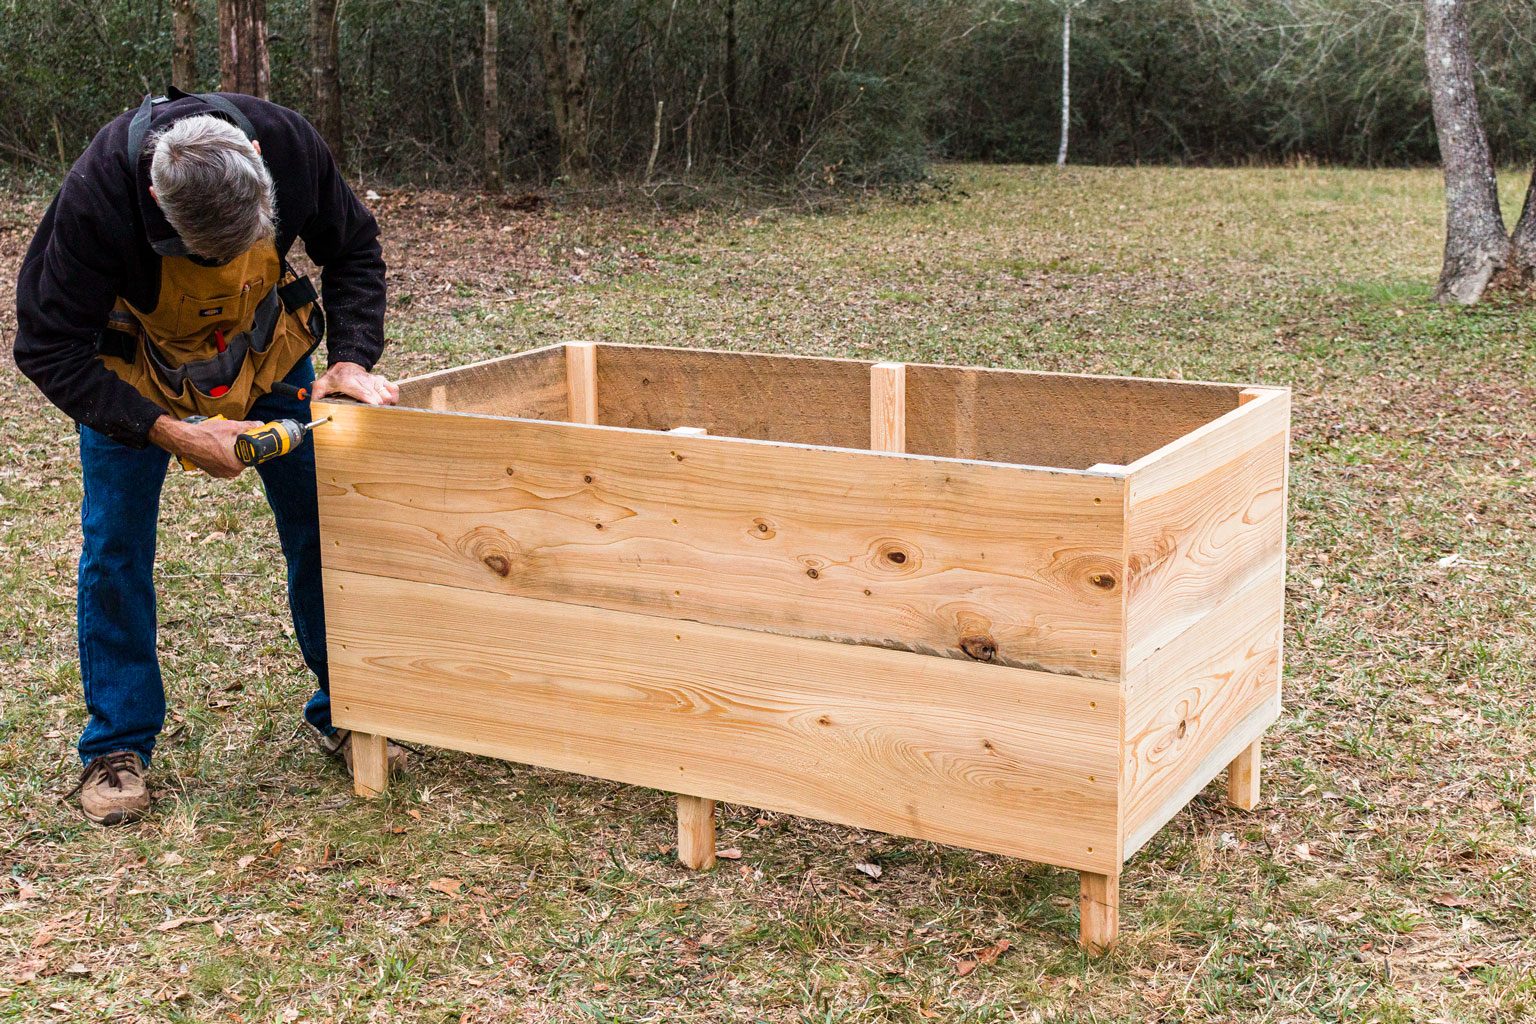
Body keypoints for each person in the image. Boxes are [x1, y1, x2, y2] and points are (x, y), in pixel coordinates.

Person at [14, 88, 405, 826]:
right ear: (156, 194)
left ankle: (348, 708)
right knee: (116, 547)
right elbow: (45, 346)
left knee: (325, 525)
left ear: (260, 164)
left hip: (266, 353)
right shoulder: (97, 198)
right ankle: (117, 744)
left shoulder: (288, 143)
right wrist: (169, 429)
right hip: (137, 370)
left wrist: (352, 359)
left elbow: (353, 249)